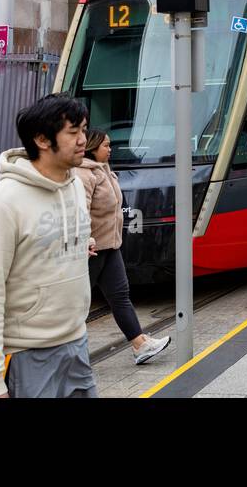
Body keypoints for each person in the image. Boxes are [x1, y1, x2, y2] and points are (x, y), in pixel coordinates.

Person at [0, 93, 97, 398]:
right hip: (28, 353)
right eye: (73, 132)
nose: (83, 140)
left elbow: (52, 240)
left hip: (76, 342)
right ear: (42, 139)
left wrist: (76, 245)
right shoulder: (2, 203)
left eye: (84, 130)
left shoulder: (75, 184)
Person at [74, 129, 170, 366]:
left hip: (111, 246)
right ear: (93, 148)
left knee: (120, 296)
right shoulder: (84, 175)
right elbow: (79, 210)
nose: (110, 149)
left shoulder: (104, 170)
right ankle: (66, 355)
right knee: (77, 305)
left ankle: (140, 344)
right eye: (106, 145)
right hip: (93, 249)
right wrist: (84, 239)